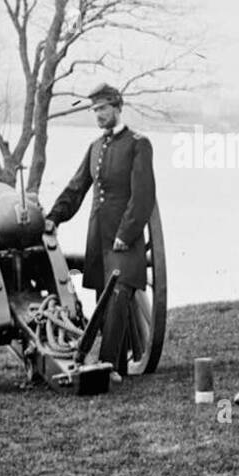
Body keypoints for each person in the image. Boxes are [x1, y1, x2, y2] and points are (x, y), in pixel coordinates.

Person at [45, 84, 156, 380]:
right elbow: (76, 187)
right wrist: (54, 217)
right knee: (102, 301)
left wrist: (127, 233)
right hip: (98, 238)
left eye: (103, 109)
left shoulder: (138, 144)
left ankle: (106, 366)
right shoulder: (95, 147)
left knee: (118, 296)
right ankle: (116, 365)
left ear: (118, 107)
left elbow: (143, 196)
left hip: (124, 239)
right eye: (94, 110)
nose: (98, 114)